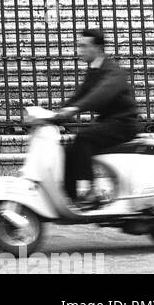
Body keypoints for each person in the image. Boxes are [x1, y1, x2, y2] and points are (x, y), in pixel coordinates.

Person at [52, 28, 140, 210]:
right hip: (110, 122)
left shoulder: (113, 71)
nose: (80, 51)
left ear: (98, 48)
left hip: (124, 124)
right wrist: (54, 116)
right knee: (69, 149)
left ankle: (91, 192)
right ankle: (71, 196)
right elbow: (80, 94)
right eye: (79, 46)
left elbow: (101, 94)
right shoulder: (94, 69)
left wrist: (75, 109)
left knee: (83, 138)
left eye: (84, 46)